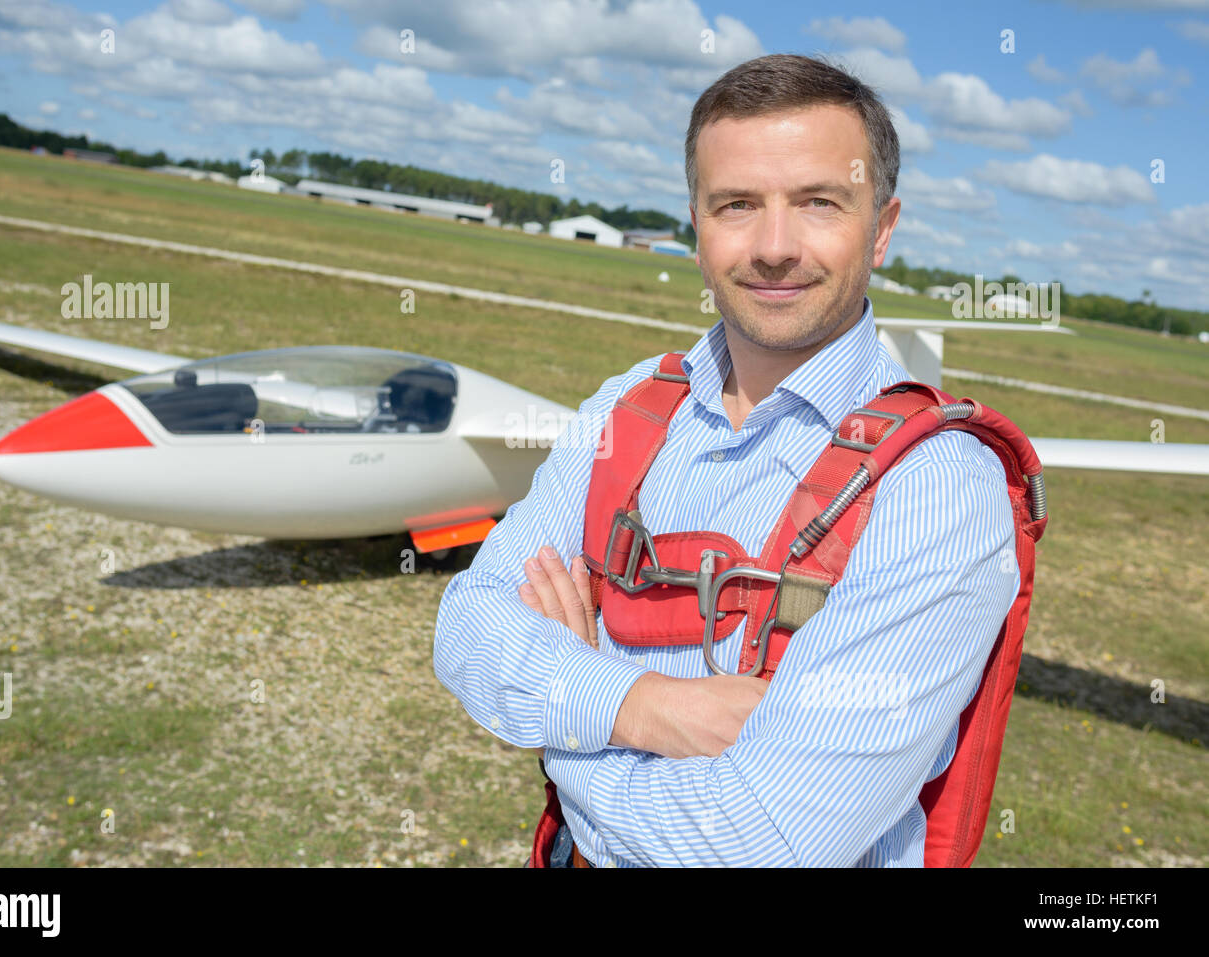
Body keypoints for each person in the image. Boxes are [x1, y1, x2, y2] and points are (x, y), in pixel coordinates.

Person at [433, 53, 1019, 867]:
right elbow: (466, 625)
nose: (774, 247)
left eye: (819, 202)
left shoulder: (937, 488)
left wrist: (566, 725)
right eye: (737, 204)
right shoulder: (630, 408)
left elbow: (762, 840)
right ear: (696, 226)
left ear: (882, 228)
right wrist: (642, 705)